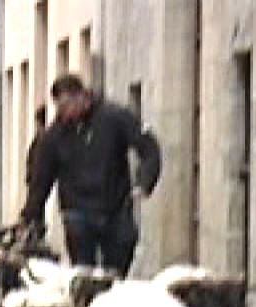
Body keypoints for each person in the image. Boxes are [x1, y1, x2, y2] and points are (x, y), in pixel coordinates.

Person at [21, 74, 162, 271]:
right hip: (77, 211)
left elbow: (149, 148)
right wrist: (31, 216)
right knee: (84, 270)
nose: (65, 114)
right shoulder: (54, 136)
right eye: (60, 108)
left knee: (116, 269)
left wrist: (144, 182)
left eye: (68, 106)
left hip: (115, 206)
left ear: (82, 97)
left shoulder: (114, 117)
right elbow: (41, 179)